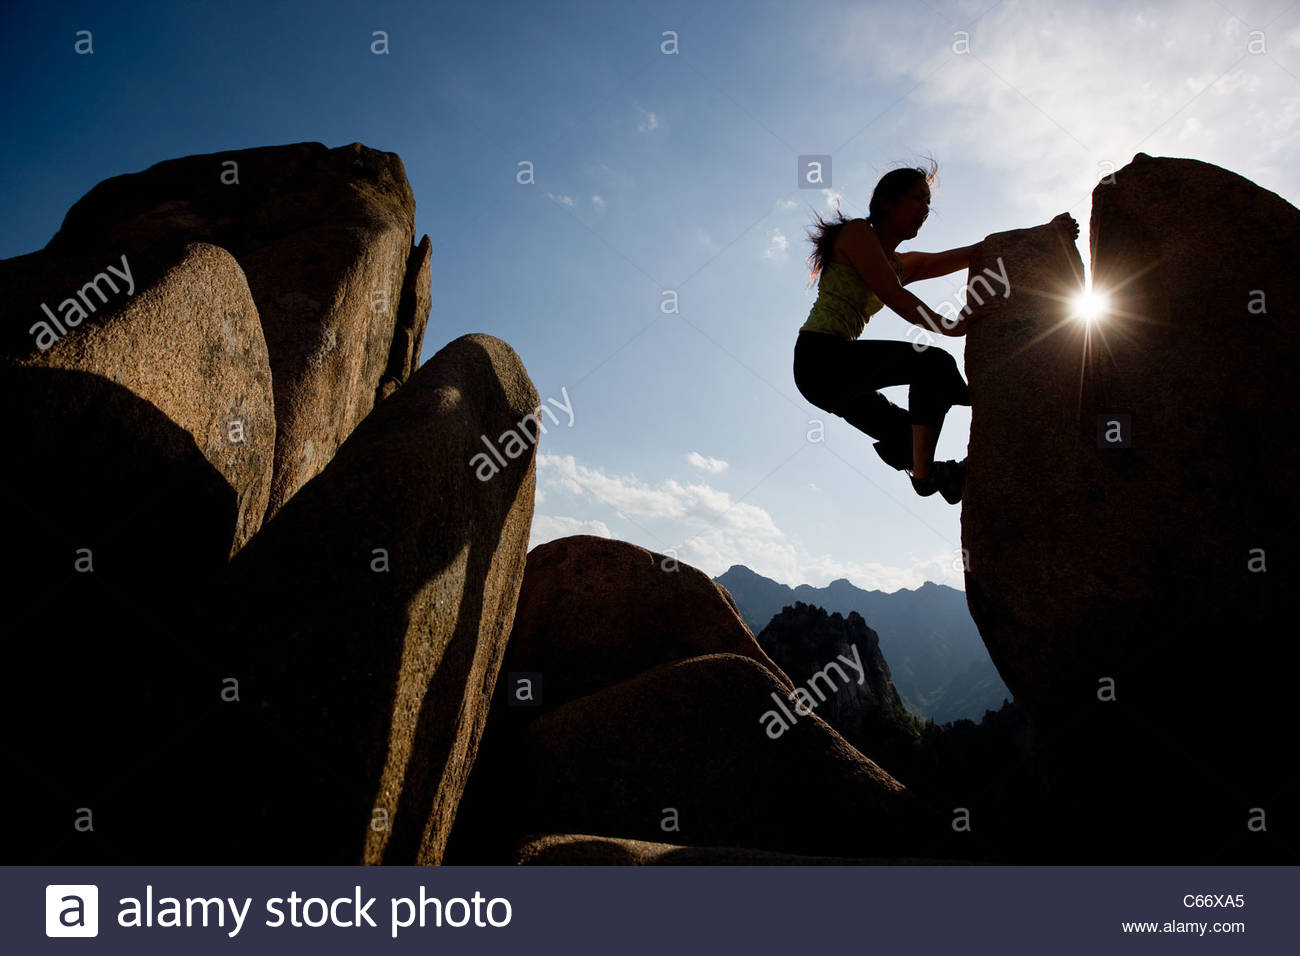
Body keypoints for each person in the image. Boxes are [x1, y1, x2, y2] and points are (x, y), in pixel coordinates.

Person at [793, 160, 988, 504]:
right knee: (934, 364)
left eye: (928, 202)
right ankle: (931, 468)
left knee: (906, 435)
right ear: (887, 202)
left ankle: (936, 475)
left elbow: (972, 254)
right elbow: (891, 293)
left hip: (831, 377)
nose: (925, 209)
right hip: (820, 357)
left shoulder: (900, 263)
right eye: (917, 199)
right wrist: (950, 326)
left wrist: (1044, 233)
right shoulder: (856, 233)